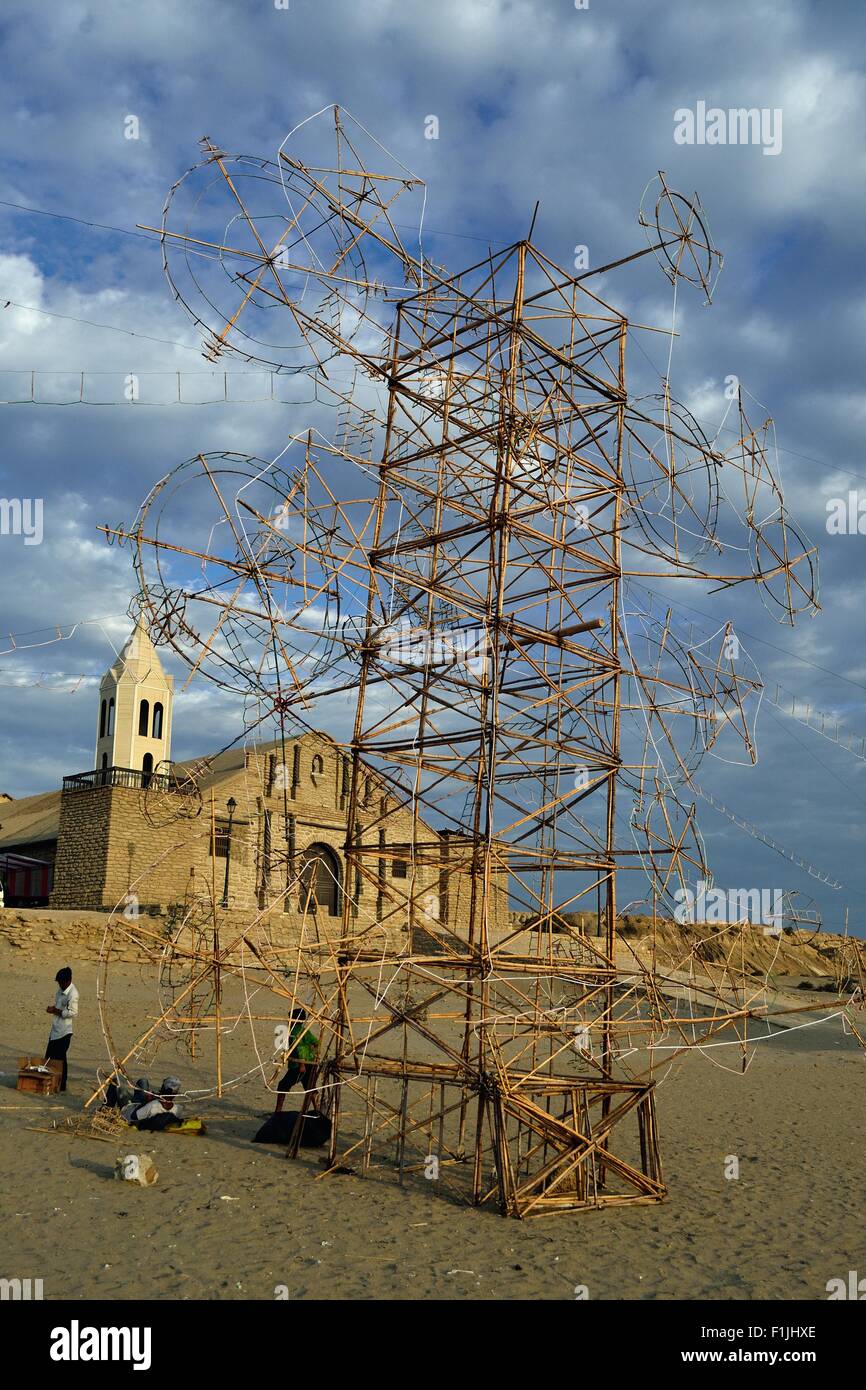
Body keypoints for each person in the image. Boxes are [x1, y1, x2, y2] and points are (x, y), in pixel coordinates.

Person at [274, 1008, 318, 1114]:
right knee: (310, 1087)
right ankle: (318, 1110)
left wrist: (302, 1063)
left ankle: (278, 1111)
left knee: (283, 1085)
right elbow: (316, 1042)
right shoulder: (304, 1031)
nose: (288, 1020)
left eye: (290, 1018)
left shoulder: (294, 1032)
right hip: (310, 1063)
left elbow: (300, 1048)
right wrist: (312, 1054)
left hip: (299, 1065)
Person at [44, 966, 78, 1092]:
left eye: (61, 982)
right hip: (55, 1030)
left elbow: (73, 1013)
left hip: (64, 1032)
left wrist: (56, 1011)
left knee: (60, 1060)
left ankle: (61, 1085)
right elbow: (59, 1006)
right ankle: (51, 1082)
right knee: (49, 1057)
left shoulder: (73, 994)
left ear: (68, 981)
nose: (60, 985)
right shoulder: (60, 991)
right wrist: (53, 1009)